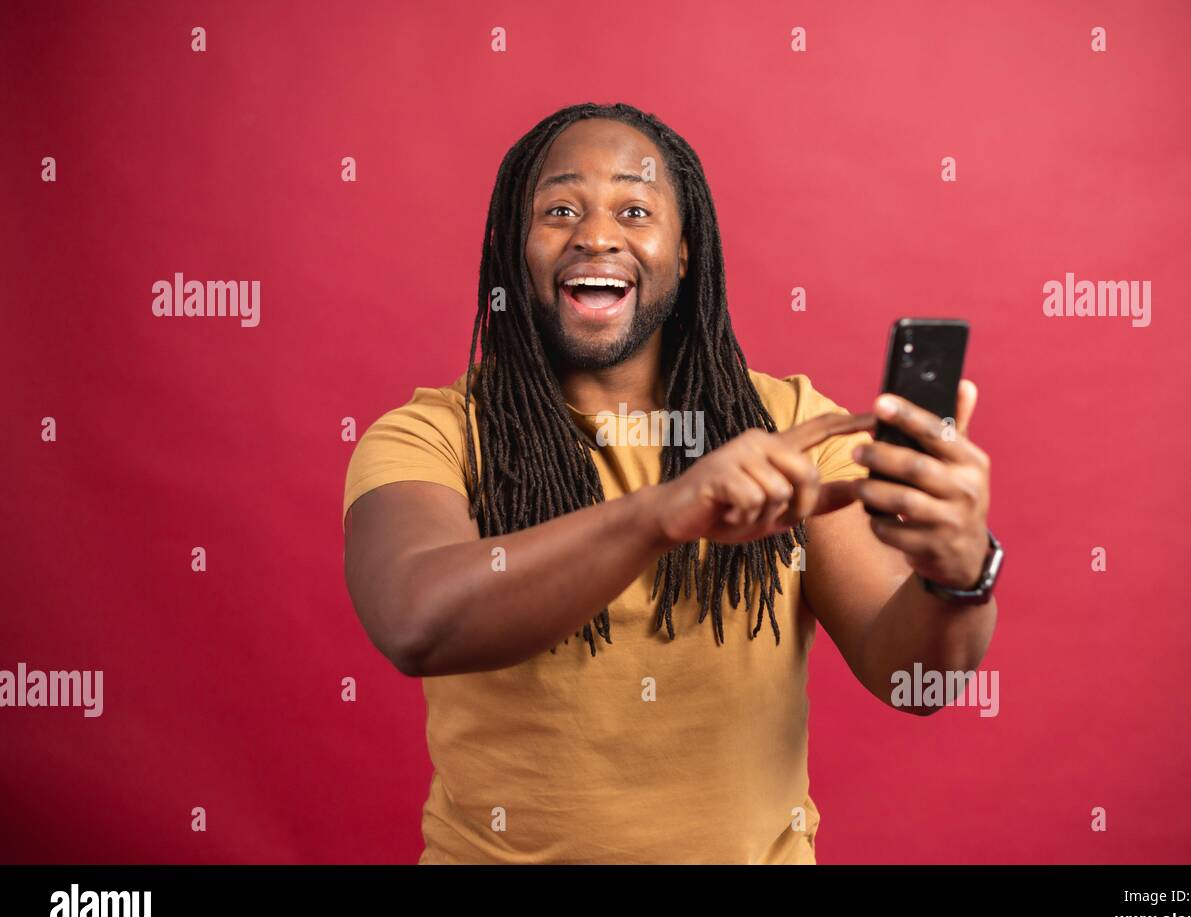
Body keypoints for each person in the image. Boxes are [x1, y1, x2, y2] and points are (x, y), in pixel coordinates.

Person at [342, 102, 998, 864]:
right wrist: (662, 514)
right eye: (559, 209)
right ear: (513, 251)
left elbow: (912, 680)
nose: (596, 234)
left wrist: (958, 575)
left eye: (634, 207)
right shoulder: (433, 437)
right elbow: (416, 620)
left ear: (683, 254)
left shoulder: (787, 426)